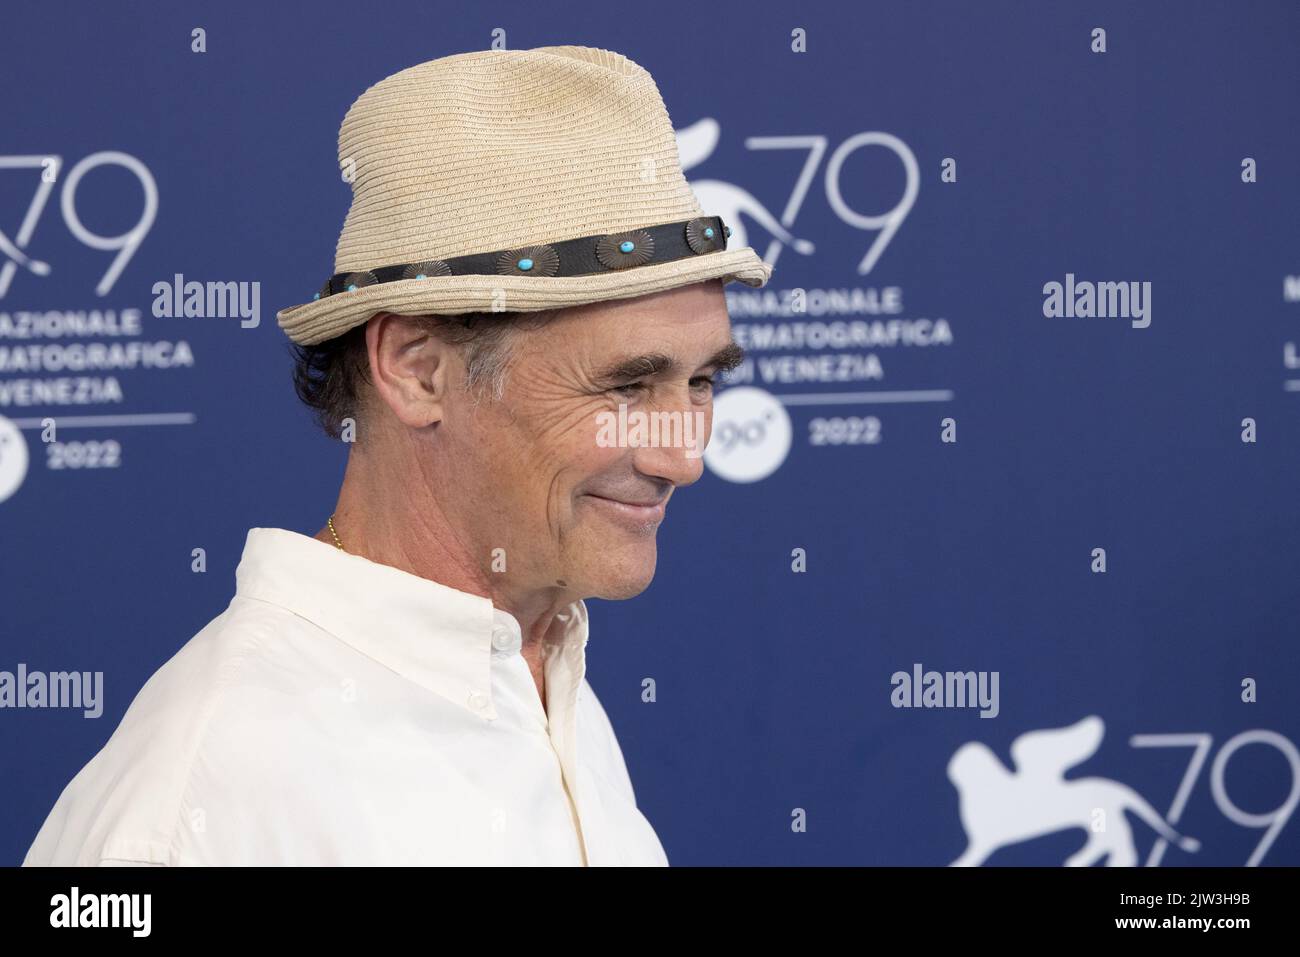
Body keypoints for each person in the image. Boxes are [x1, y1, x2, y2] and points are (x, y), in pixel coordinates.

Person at [23, 44, 772, 866]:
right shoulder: (198, 799)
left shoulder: (545, 680)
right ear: (416, 369)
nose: (683, 459)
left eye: (701, 381)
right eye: (627, 386)